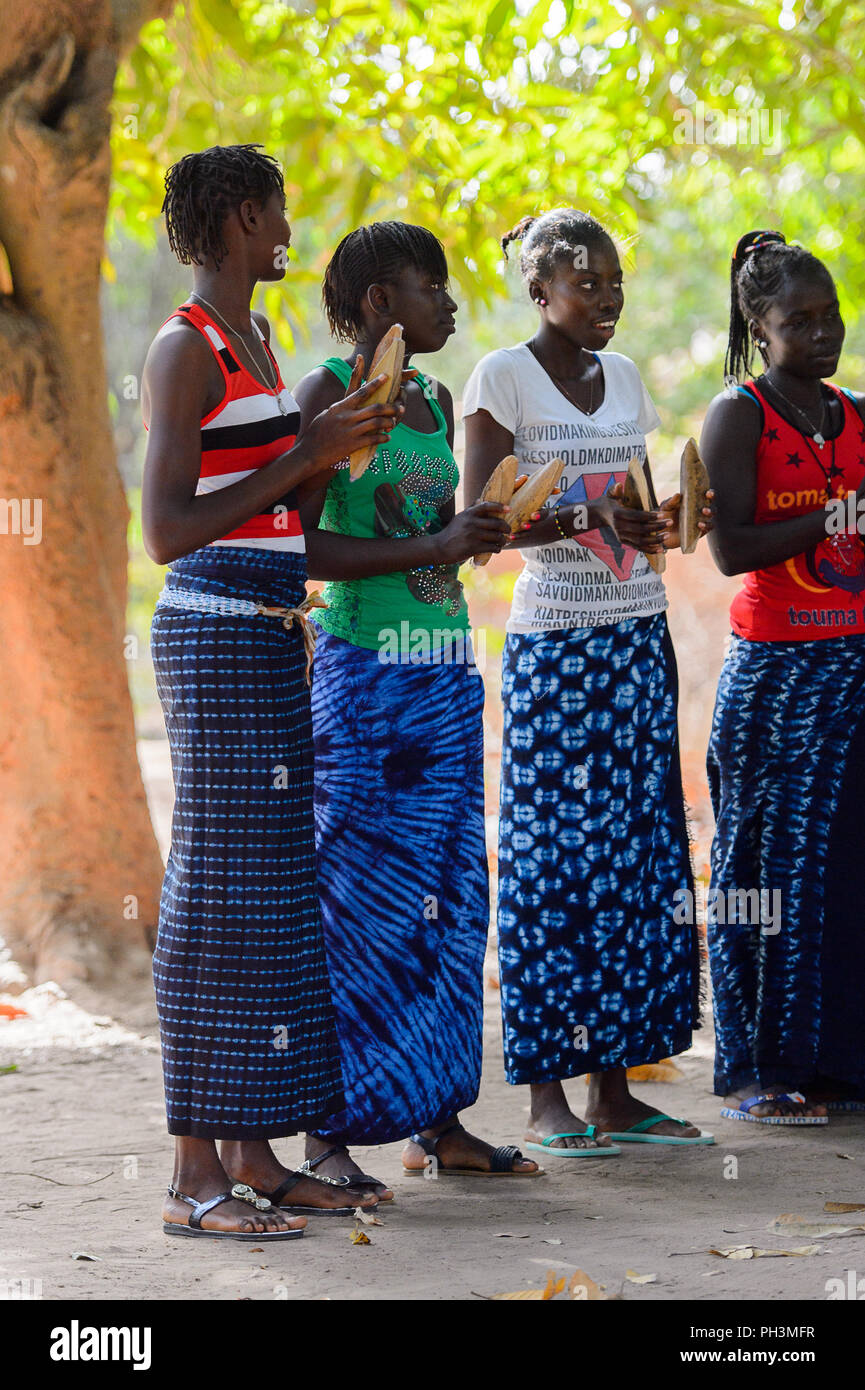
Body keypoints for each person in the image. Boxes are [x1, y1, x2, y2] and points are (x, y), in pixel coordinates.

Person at [142, 145, 399, 1238]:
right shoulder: (182, 349)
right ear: (243, 218)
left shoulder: (259, 340)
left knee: (268, 898)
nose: (292, 227)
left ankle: (253, 1149)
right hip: (210, 638)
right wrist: (303, 455)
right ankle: (192, 1173)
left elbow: (273, 514)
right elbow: (165, 533)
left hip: (270, 636)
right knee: (213, 893)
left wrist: (329, 462)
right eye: (281, 210)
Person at [292, 221, 541, 1193]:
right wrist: (430, 549)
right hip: (364, 682)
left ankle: (438, 1122)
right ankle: (326, 1138)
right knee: (359, 905)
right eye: (427, 286)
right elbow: (300, 550)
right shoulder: (328, 395)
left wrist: (476, 530)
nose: (447, 302)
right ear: (375, 304)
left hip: (442, 676)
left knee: (450, 900)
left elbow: (435, 539)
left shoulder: (434, 400)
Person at [463, 208, 714, 1155]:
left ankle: (616, 1091)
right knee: (552, 863)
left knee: (638, 857)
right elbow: (482, 526)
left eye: (614, 283)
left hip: (635, 638)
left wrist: (658, 523)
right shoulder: (502, 377)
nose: (607, 300)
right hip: (557, 650)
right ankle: (545, 1101)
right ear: (540, 292)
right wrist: (588, 516)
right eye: (586, 285)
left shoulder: (628, 378)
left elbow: (633, 504)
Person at [701, 229, 865, 1125]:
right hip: (776, 679)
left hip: (854, 666)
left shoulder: (858, 414)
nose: (820, 334)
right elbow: (730, 549)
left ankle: (840, 1063)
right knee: (769, 872)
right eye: (797, 321)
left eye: (829, 315)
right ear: (757, 327)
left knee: (844, 871)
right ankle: (764, 1070)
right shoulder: (740, 414)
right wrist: (838, 517)